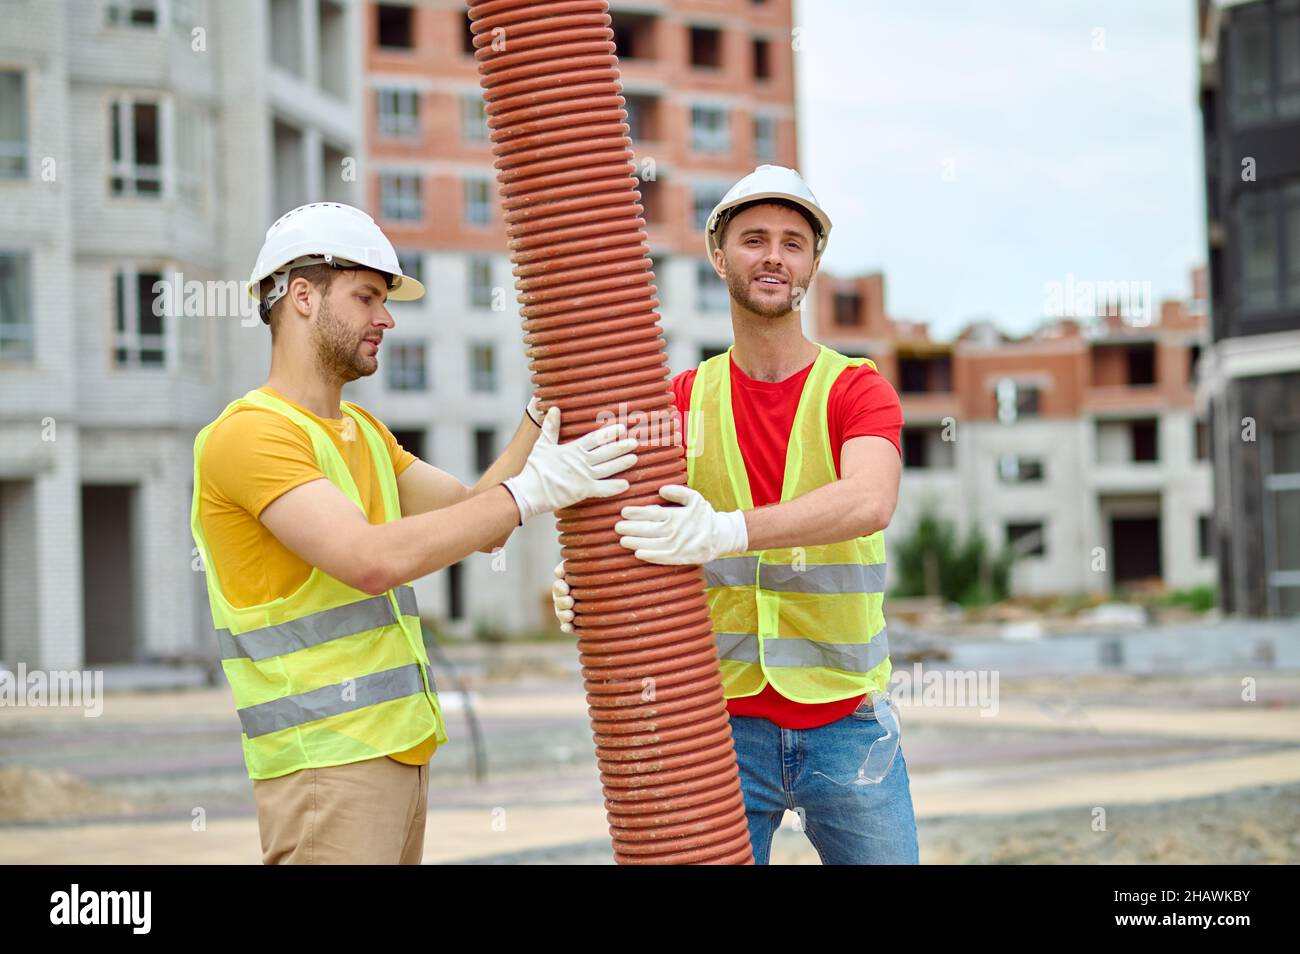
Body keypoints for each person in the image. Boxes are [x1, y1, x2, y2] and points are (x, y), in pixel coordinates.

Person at [191, 202, 637, 864]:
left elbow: (474, 518)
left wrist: (534, 422)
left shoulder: (361, 432)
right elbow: (370, 561)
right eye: (368, 297)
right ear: (304, 297)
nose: (387, 319)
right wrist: (531, 492)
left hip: (395, 754)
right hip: (326, 761)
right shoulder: (250, 435)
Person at [553, 166, 917, 864]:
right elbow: (620, 516)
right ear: (719, 258)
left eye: (792, 242)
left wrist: (728, 529)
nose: (774, 256)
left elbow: (869, 500)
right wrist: (584, 583)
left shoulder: (858, 389)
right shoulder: (683, 398)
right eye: (754, 240)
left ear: (813, 263)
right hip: (719, 727)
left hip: (847, 723)